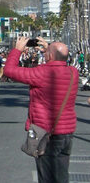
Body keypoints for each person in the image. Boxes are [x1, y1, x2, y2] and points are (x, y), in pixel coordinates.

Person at [4, 37, 79, 183]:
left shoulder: (41, 73)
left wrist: (17, 50)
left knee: (46, 176)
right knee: (62, 175)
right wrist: (49, 48)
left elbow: (9, 70)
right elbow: (60, 60)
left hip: (46, 133)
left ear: (49, 56)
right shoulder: (73, 73)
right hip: (67, 133)